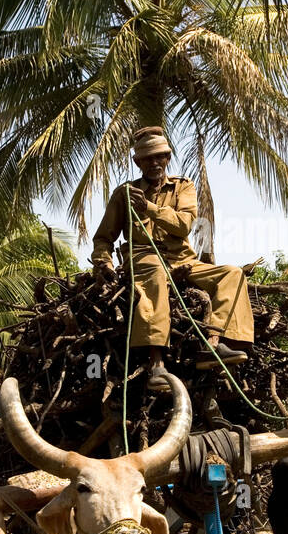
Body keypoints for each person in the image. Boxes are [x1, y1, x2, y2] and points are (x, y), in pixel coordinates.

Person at [91, 126, 254, 391]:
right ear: (137, 162)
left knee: (233, 274)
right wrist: (104, 263)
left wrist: (149, 208)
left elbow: (184, 225)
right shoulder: (124, 193)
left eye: (160, 157)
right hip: (143, 257)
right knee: (154, 274)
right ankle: (157, 365)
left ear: (168, 158)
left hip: (182, 259)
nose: (154, 163)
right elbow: (103, 238)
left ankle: (212, 345)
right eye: (147, 159)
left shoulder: (183, 186)